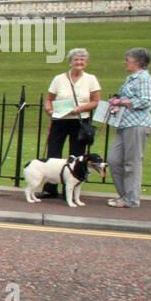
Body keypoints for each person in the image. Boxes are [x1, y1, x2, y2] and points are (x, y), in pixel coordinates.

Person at [41, 48, 101, 198]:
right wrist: (49, 111)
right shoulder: (59, 79)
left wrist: (80, 108)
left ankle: (72, 189)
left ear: (86, 62)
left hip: (79, 122)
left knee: (77, 156)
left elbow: (95, 101)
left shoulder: (91, 79)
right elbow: (49, 99)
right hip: (60, 120)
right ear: (70, 62)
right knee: (54, 154)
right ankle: (50, 188)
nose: (79, 62)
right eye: (76, 59)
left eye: (82, 60)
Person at [106, 47, 151, 209]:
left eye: (128, 59)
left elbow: (146, 101)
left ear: (139, 62)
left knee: (132, 163)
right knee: (113, 160)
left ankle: (131, 199)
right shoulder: (132, 78)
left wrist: (121, 102)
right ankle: (124, 195)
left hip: (137, 124)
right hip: (124, 124)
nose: (125, 62)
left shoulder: (144, 78)